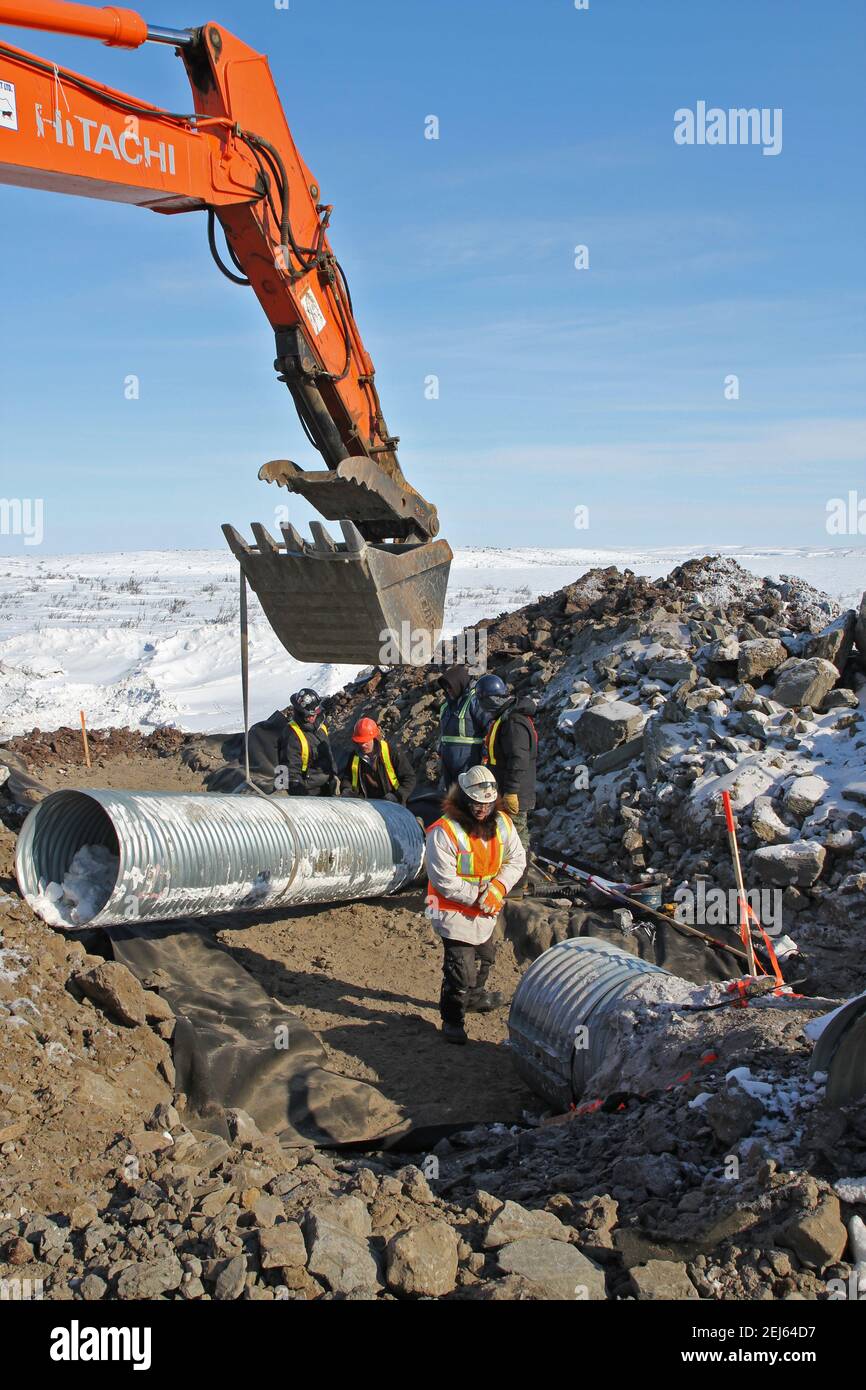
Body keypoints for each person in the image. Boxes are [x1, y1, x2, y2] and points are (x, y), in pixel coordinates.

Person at [425, 764, 526, 1045]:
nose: (481, 809)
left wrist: (498, 887)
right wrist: (479, 897)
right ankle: (453, 1019)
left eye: (486, 804)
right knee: (460, 970)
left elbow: (516, 859)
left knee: (486, 957)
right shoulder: (444, 832)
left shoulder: (502, 824)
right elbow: (443, 880)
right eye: (475, 804)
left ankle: (474, 996)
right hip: (453, 910)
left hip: (485, 909)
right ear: (464, 800)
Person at [475, 673, 538, 863]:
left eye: (483, 702)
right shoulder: (505, 718)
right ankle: (512, 875)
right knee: (508, 834)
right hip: (504, 789)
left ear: (492, 699)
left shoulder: (513, 722)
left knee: (517, 835)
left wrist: (511, 791)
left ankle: (519, 879)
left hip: (515, 792)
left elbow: (518, 759)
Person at [340, 717, 416, 804]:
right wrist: (346, 789)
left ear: (374, 737)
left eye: (366, 741)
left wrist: (396, 796)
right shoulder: (355, 756)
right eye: (360, 742)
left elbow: (409, 778)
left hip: (392, 804)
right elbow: (347, 777)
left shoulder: (392, 752)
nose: (363, 745)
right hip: (367, 804)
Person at [277, 688, 338, 796]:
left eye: (316, 713)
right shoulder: (292, 734)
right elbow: (291, 769)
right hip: (309, 791)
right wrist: (299, 792)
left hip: (328, 785)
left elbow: (320, 713)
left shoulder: (319, 725)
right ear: (301, 713)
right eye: (310, 715)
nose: (313, 717)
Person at [436, 663, 487, 787]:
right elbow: (443, 733)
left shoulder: (474, 701)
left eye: (450, 687)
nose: (448, 690)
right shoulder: (446, 706)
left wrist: (485, 755)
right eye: (446, 687)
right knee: (451, 798)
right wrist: (439, 749)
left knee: (468, 795)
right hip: (448, 762)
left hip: (469, 760)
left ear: (459, 683)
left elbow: (489, 726)